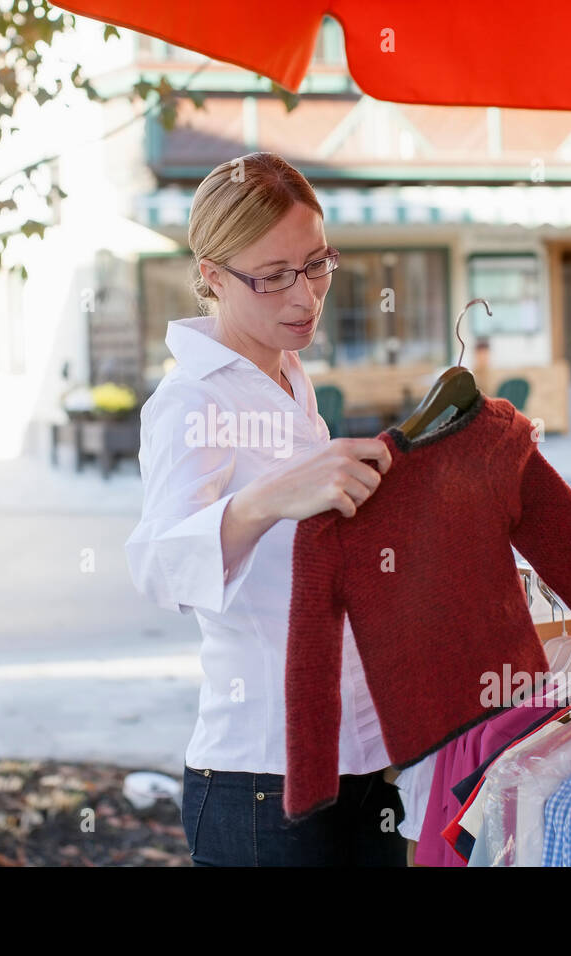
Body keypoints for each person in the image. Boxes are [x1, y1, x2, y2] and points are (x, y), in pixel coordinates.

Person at [124, 151, 407, 866]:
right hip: (261, 779)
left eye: (316, 265)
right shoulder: (193, 401)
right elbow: (159, 568)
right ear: (212, 275)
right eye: (273, 276)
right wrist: (268, 499)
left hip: (358, 760)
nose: (304, 298)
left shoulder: (286, 374)